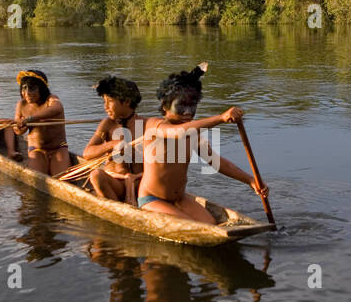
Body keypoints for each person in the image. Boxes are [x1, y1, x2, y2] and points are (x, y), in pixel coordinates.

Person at [137, 64, 267, 224]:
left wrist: (251, 180)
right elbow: (179, 132)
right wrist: (220, 118)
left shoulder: (194, 133)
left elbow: (216, 162)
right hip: (152, 199)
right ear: (165, 106)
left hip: (180, 198)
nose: (188, 111)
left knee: (211, 224)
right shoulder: (154, 125)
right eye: (181, 105)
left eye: (192, 105)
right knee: (192, 226)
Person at [83, 76, 145, 204]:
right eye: (104, 101)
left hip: (140, 184)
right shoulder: (107, 124)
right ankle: (118, 208)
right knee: (96, 175)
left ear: (127, 101)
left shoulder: (146, 125)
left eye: (110, 101)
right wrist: (113, 144)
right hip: (114, 183)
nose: (106, 106)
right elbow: (87, 153)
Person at [6, 69, 72, 175]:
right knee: (38, 177)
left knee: (61, 178)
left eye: (32, 88)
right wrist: (19, 128)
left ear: (42, 89)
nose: (27, 93)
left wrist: (30, 118)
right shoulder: (21, 104)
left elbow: (57, 108)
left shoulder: (51, 99)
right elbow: (18, 130)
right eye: (24, 88)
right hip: (36, 149)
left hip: (58, 148)